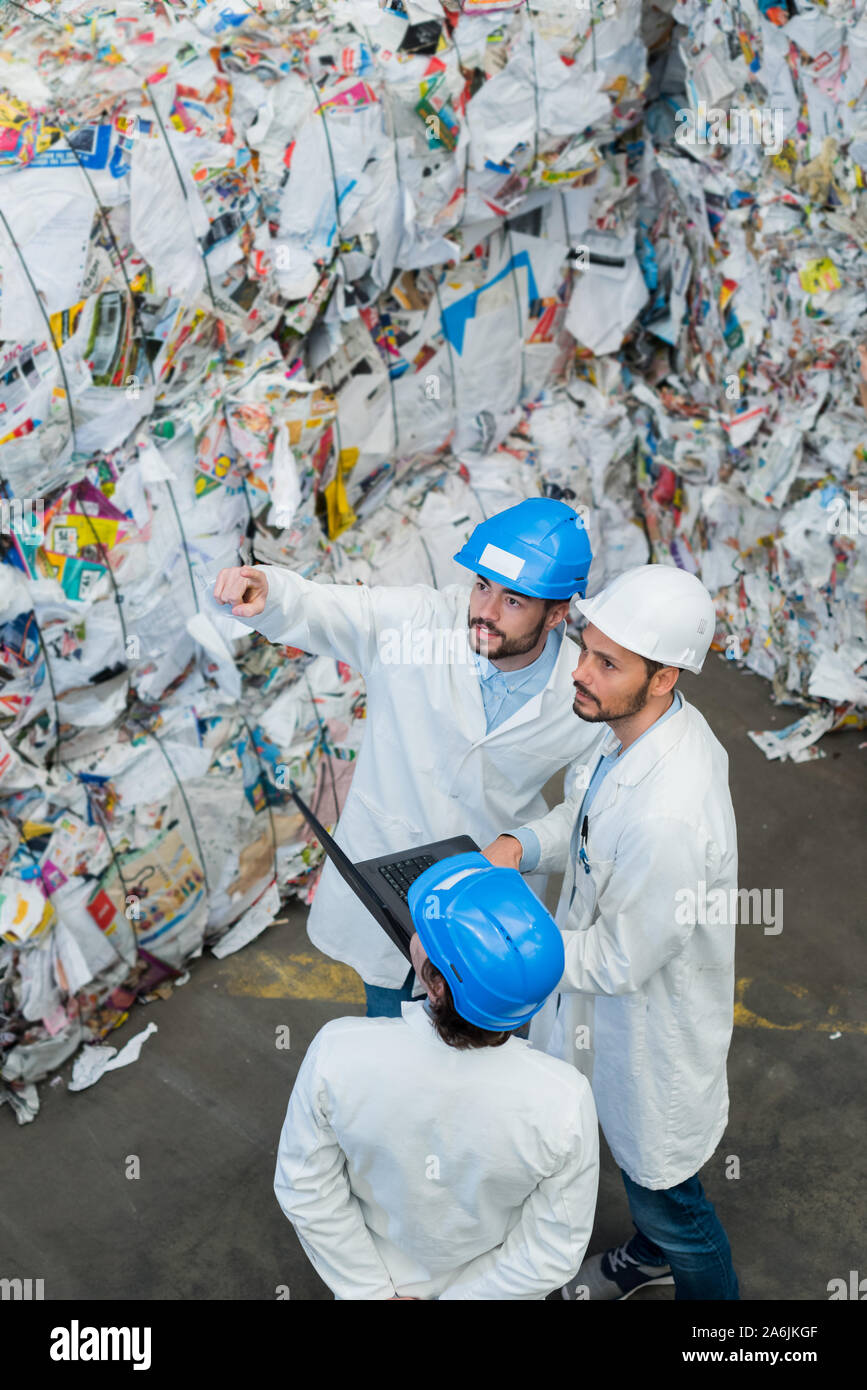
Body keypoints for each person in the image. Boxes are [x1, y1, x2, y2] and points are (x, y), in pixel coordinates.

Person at [213, 497, 605, 1016]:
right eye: (482, 586)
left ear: (557, 614)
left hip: (484, 898)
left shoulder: (580, 689)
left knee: (486, 1032)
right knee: (390, 1024)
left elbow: (588, 810)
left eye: (514, 601)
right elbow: (322, 606)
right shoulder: (419, 623)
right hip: (387, 875)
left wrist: (523, 844)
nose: (485, 612)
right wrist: (271, 593)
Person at [484, 564, 740, 1301]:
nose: (581, 673)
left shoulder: (670, 814)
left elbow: (622, 958)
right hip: (603, 1015)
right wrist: (520, 846)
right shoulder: (629, 729)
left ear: (662, 678)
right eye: (585, 649)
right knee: (634, 1172)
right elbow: (587, 814)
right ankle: (649, 1253)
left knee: (671, 1200)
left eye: (606, 662)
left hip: (649, 1040)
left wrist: (507, 947)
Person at [273, 852, 600, 1299]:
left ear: (435, 982)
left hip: (378, 1275)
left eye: (426, 934)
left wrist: (372, 1291)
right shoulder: (563, 1100)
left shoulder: (339, 1052)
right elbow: (553, 1250)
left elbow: (306, 1187)